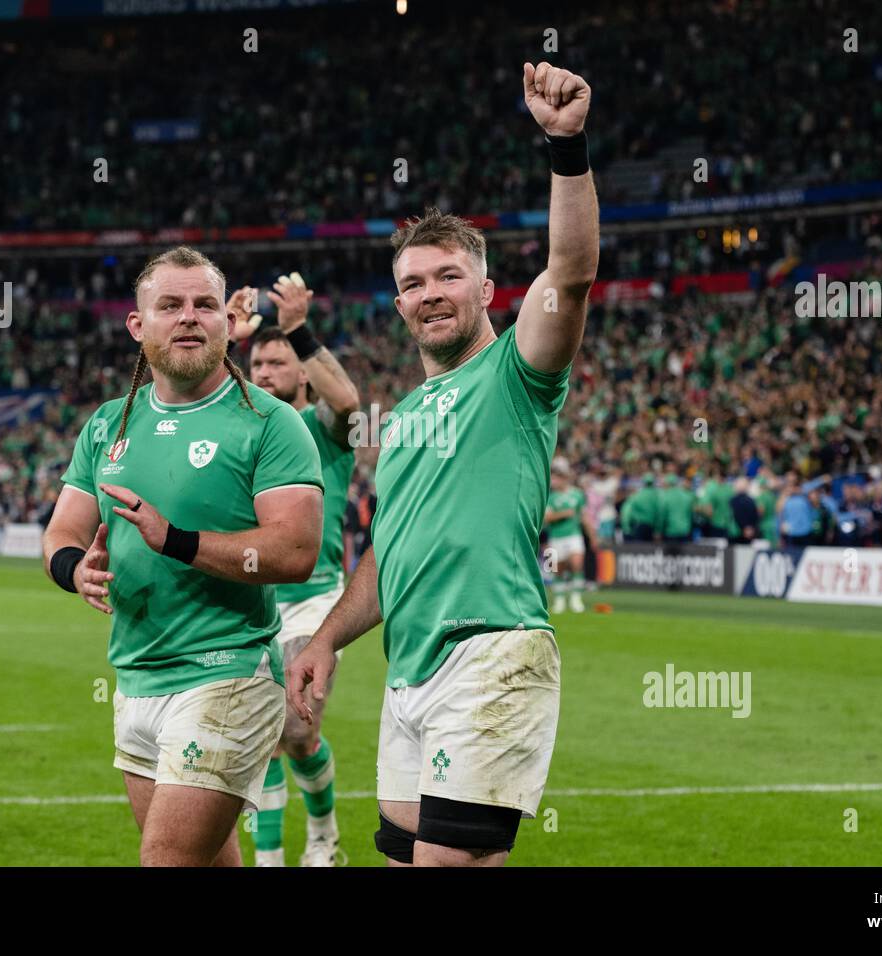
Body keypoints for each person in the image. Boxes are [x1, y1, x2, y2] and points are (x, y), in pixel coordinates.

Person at [288, 61, 598, 867]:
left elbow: (569, 270)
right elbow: (387, 561)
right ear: (397, 305)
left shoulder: (517, 375)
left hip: (490, 653)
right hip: (409, 674)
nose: (431, 293)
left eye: (448, 276)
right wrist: (326, 639)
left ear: (487, 288)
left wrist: (566, 148)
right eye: (413, 282)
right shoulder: (404, 421)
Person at [41, 246, 325, 866]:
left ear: (228, 322)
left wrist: (176, 541)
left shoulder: (271, 422)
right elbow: (62, 531)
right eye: (170, 305)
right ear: (139, 327)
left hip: (226, 672)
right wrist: (74, 570)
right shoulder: (107, 427)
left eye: (204, 305)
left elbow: (295, 551)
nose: (189, 317)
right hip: (137, 676)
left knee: (166, 860)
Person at [242, 272, 361, 867]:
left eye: (276, 360)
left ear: (302, 371)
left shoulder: (321, 429)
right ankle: (271, 858)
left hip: (315, 601)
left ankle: (323, 835)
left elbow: (349, 404)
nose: (263, 372)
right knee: (260, 742)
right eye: (256, 362)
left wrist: (299, 330)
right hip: (250, 601)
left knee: (294, 731)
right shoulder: (248, 430)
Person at [544, 456, 588, 613]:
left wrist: (592, 535)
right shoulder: (550, 497)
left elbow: (584, 516)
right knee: (558, 569)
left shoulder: (577, 494)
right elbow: (547, 518)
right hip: (556, 536)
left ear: (565, 478)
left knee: (577, 564)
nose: (555, 481)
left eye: (558, 477)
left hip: (573, 535)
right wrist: (563, 514)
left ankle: (576, 599)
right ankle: (560, 600)